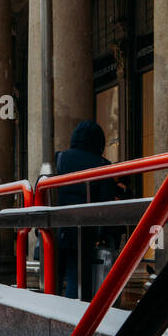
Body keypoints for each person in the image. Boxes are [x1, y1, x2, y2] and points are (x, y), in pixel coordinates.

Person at [52, 119, 124, 299]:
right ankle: (71, 320)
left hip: (54, 230)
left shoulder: (58, 158)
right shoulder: (102, 165)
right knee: (77, 280)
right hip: (82, 233)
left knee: (52, 281)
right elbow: (106, 204)